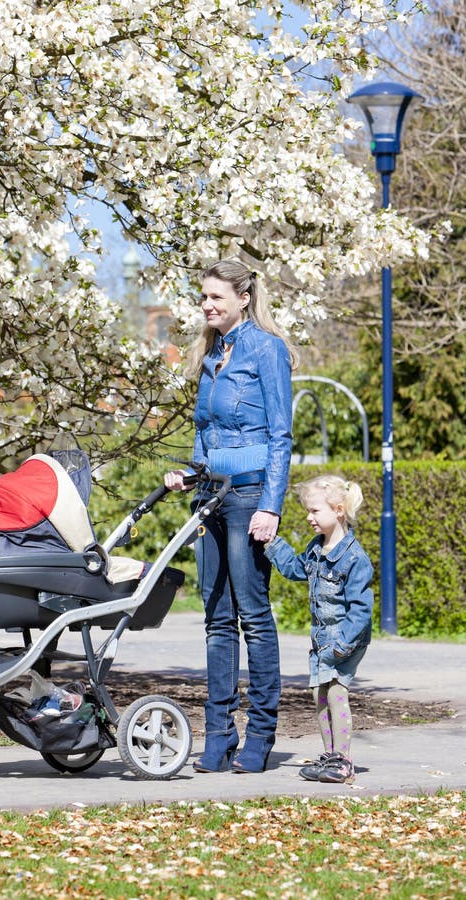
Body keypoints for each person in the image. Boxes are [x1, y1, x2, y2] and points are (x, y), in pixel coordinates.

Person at [165, 258, 297, 774]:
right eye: (204, 297)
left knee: (254, 619)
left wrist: (272, 505)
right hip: (211, 499)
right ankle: (218, 735)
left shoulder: (267, 350)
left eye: (217, 297)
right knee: (216, 621)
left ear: (244, 297)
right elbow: (204, 430)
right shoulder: (211, 353)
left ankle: (260, 734)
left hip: (249, 497)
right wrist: (190, 473)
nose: (207, 305)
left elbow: (280, 435)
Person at [264, 475, 374, 784]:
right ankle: (330, 756)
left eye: (315, 511)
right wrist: (272, 544)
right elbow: (295, 569)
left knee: (336, 693)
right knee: (320, 696)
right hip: (322, 640)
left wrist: (342, 644)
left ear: (338, 511)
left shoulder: (354, 558)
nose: (309, 518)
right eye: (308, 511)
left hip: (344, 640)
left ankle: (344, 761)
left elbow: (361, 609)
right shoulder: (316, 549)